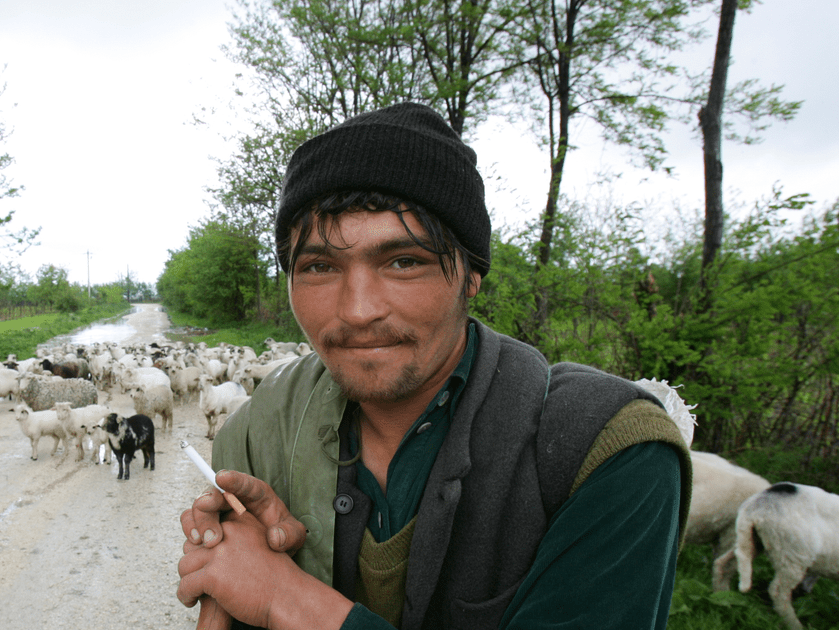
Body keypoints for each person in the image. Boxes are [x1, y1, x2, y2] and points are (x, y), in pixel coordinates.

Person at [177, 102, 692, 630]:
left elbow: (276, 595)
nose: (357, 310)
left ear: (472, 275)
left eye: (404, 262)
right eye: (320, 266)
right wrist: (230, 586)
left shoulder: (605, 452)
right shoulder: (258, 434)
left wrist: (286, 598)